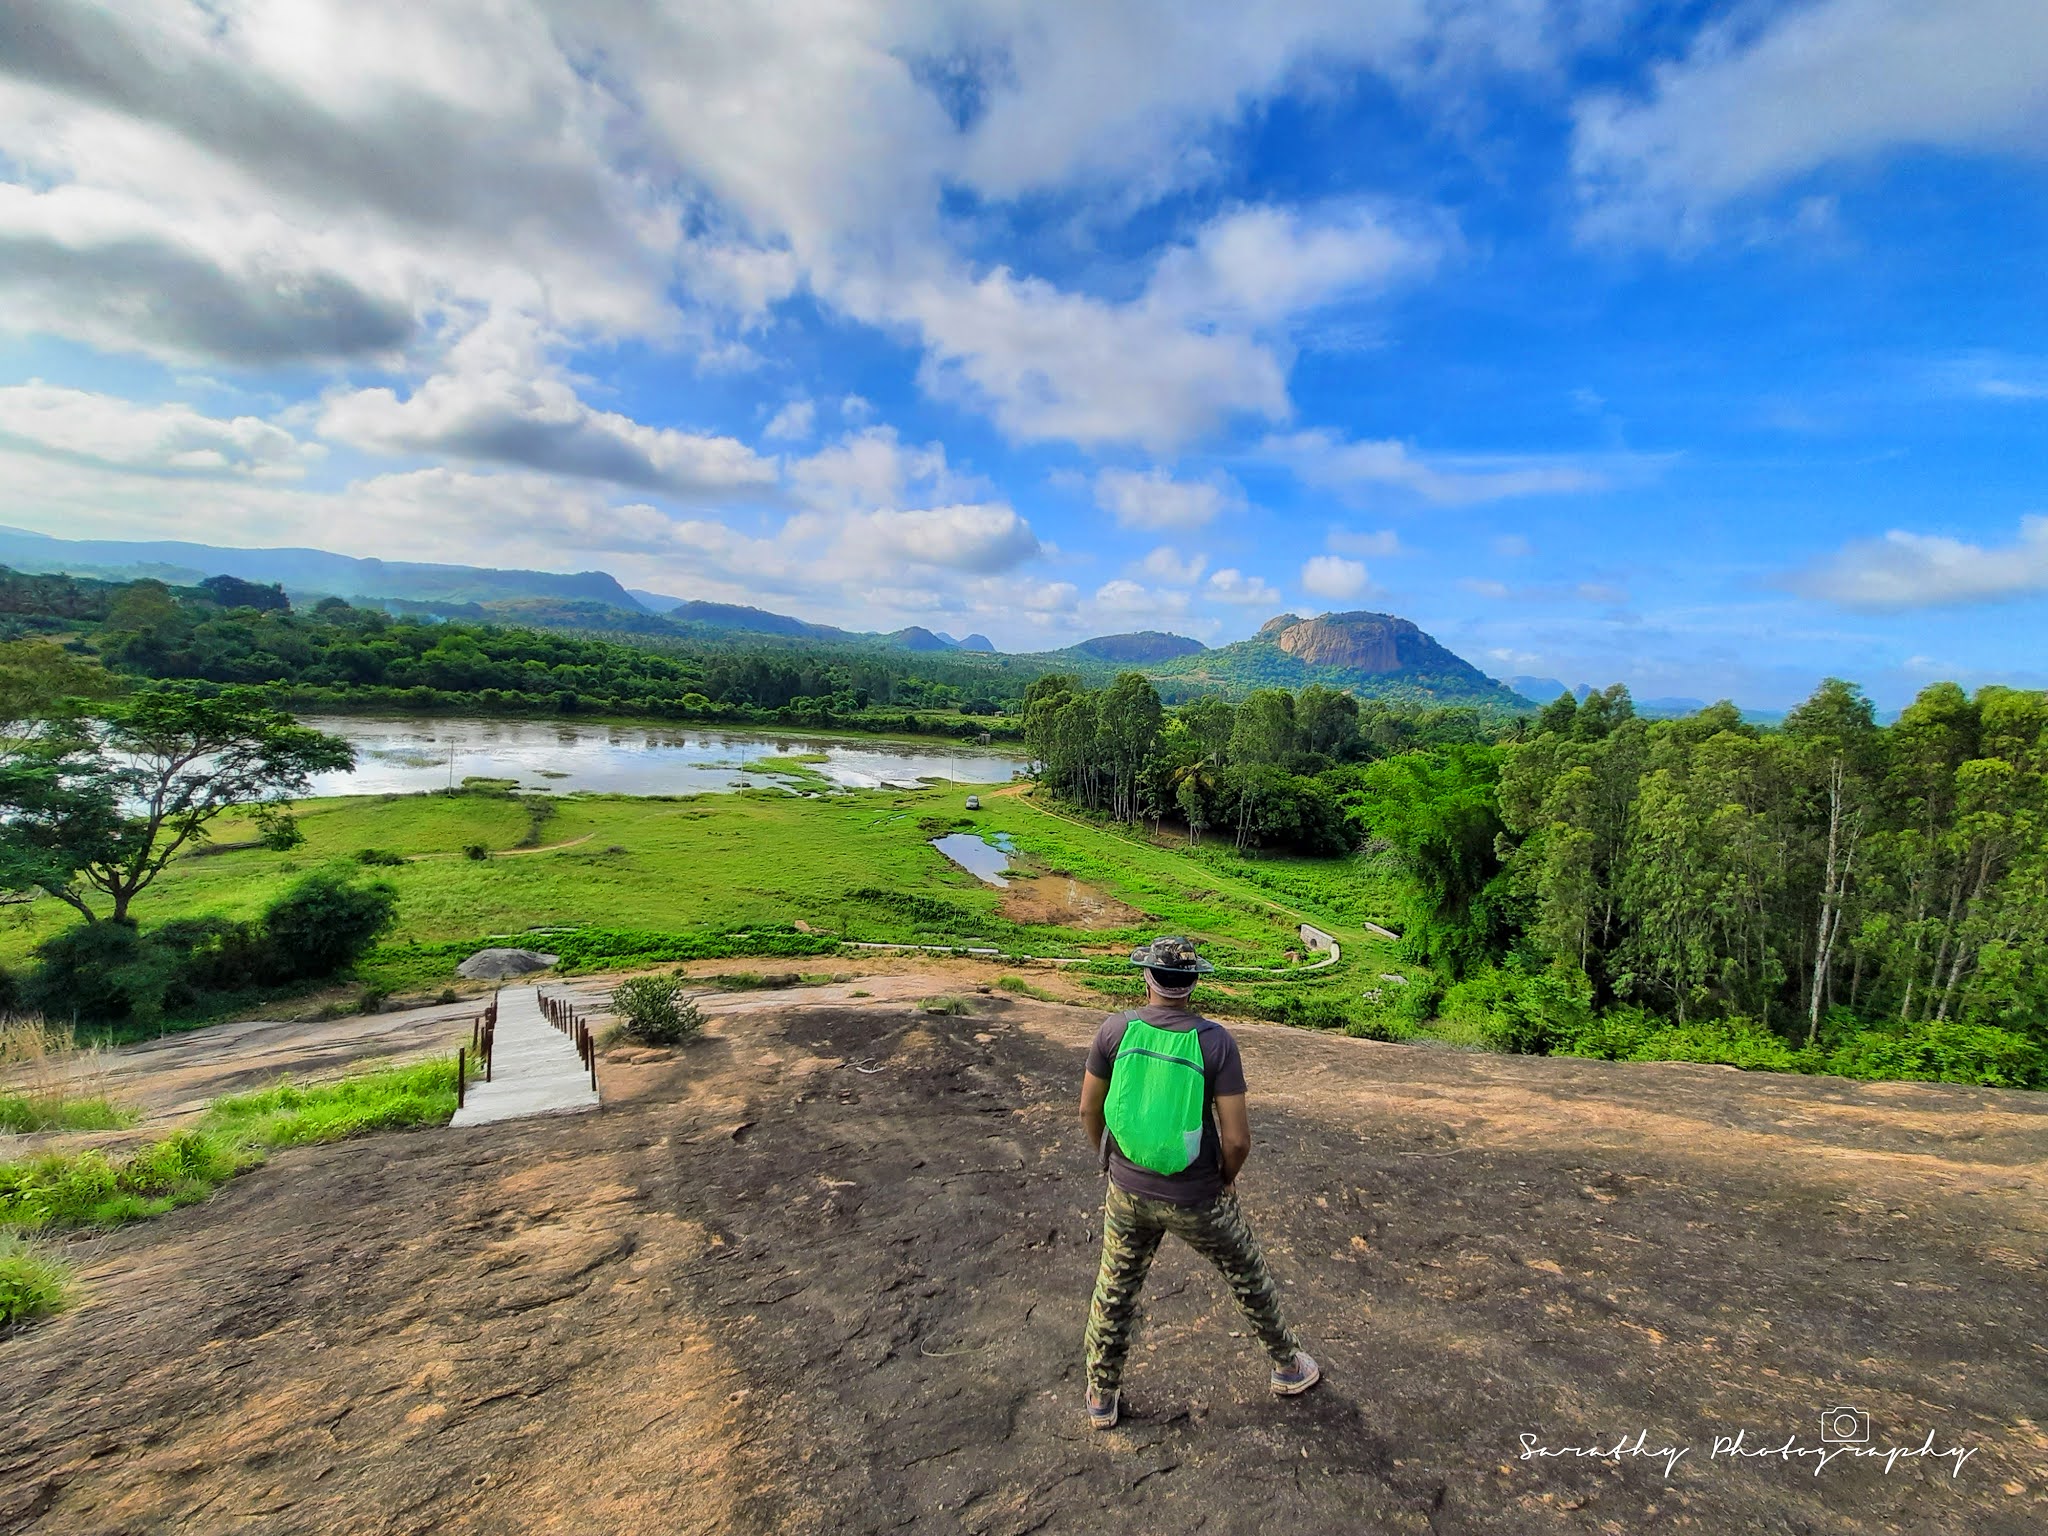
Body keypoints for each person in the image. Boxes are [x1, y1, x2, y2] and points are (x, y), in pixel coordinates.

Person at [1077, 936, 1319, 1431]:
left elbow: (1088, 1110)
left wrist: (1113, 1163)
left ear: (1147, 978)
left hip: (1127, 1190)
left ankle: (1101, 1397)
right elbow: (1237, 1140)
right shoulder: (1215, 1042)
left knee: (1116, 1287)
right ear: (1192, 985)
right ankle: (1288, 1367)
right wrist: (1223, 1182)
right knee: (1246, 1273)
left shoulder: (1114, 1030)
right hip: (1197, 1195)